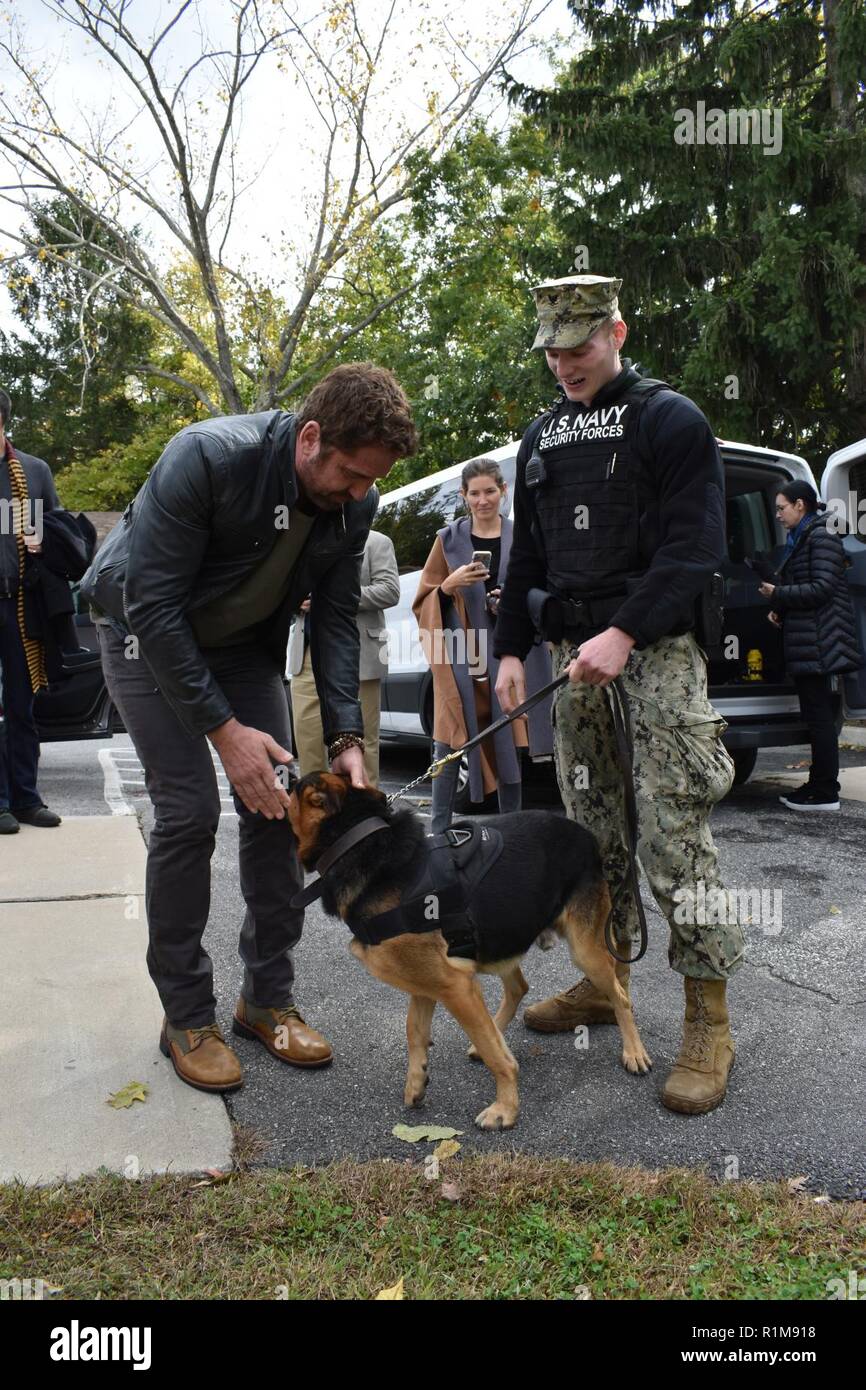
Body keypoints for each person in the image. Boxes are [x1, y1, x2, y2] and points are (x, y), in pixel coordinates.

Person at [80, 364, 416, 1093]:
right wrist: (225, 734)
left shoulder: (357, 499)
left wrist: (350, 741)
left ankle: (266, 1000)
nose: (361, 494)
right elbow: (156, 608)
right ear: (311, 437)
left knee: (276, 809)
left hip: (237, 650)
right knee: (188, 813)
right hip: (144, 633)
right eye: (352, 475)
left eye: (371, 482)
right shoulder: (205, 458)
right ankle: (186, 1017)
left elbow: (332, 619)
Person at [493, 273, 742, 1116]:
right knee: (590, 836)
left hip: (657, 651)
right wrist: (508, 653)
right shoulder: (540, 438)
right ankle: (606, 983)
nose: (564, 362)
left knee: (674, 831)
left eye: (580, 345)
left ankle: (707, 1015)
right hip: (572, 660)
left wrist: (626, 631)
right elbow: (522, 560)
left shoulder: (670, 419)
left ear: (618, 332)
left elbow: (694, 548)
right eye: (553, 350)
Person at [414, 458, 552, 833]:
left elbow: (543, 588)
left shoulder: (521, 536)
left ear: (503, 491)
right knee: (449, 739)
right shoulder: (447, 540)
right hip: (461, 652)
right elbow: (422, 599)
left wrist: (511, 599)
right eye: (474, 493)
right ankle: (438, 833)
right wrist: (448, 585)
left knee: (509, 739)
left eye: (490, 491)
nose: (483, 499)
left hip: (508, 651)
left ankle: (511, 833)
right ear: (464, 496)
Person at [759, 481, 860, 812]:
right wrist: (781, 609)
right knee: (817, 716)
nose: (777, 514)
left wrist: (778, 595)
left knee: (819, 718)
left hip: (821, 641)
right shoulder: (804, 536)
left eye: (781, 507)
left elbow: (821, 588)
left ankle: (824, 791)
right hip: (811, 639)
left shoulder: (821, 536)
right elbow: (805, 584)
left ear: (800, 505)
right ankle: (820, 785)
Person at [287, 529, 400, 784]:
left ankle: (366, 813)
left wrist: (332, 598)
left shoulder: (377, 541)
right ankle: (317, 813)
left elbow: (390, 591)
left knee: (362, 741)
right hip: (306, 653)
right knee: (307, 738)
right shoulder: (305, 540)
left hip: (357, 655)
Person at [0, 387, 63, 833]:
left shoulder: (33, 472)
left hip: (21, 606)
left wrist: (45, 545)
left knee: (23, 706)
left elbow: (55, 532)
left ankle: (25, 798)